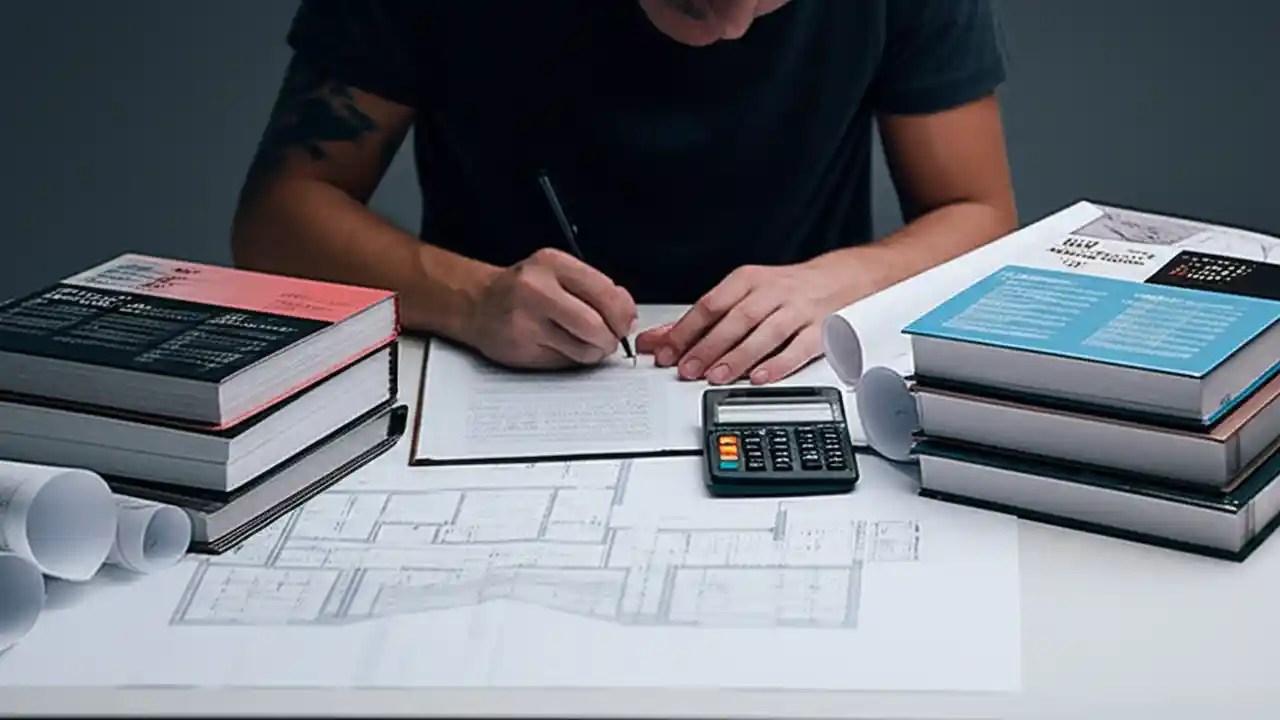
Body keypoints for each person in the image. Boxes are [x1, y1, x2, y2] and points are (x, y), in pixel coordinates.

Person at [231, 0, 1017, 385]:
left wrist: (850, 280)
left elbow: (980, 213)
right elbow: (278, 217)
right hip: (492, 382)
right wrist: (471, 299)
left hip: (794, 376)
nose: (736, 28)